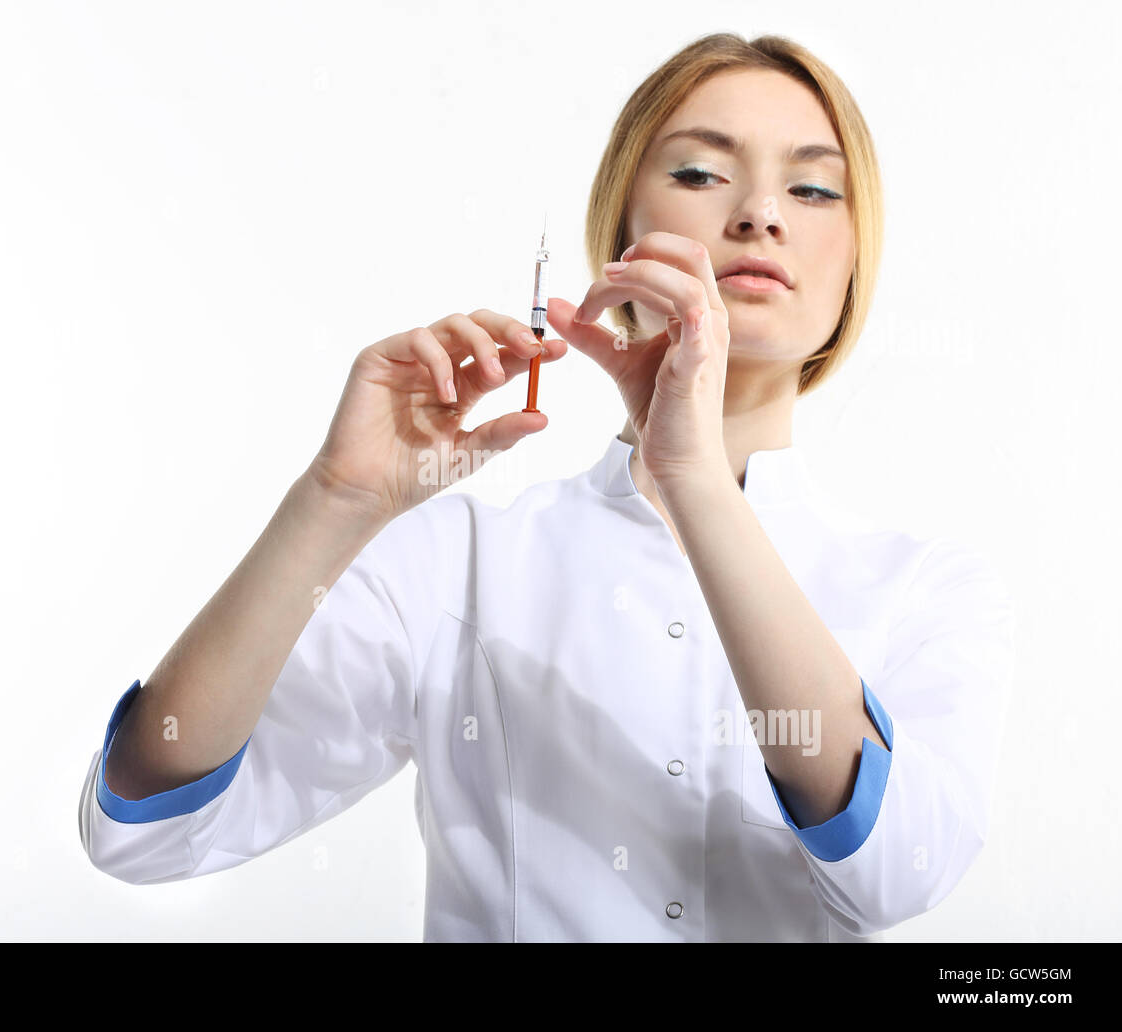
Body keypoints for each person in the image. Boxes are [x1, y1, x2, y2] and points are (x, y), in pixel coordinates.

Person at [78, 32, 1015, 942]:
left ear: (854, 270)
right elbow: (144, 828)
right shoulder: (460, 564)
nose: (762, 214)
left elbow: (898, 871)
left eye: (812, 189)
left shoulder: (926, 590)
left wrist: (691, 476)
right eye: (699, 173)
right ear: (619, 239)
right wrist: (336, 500)